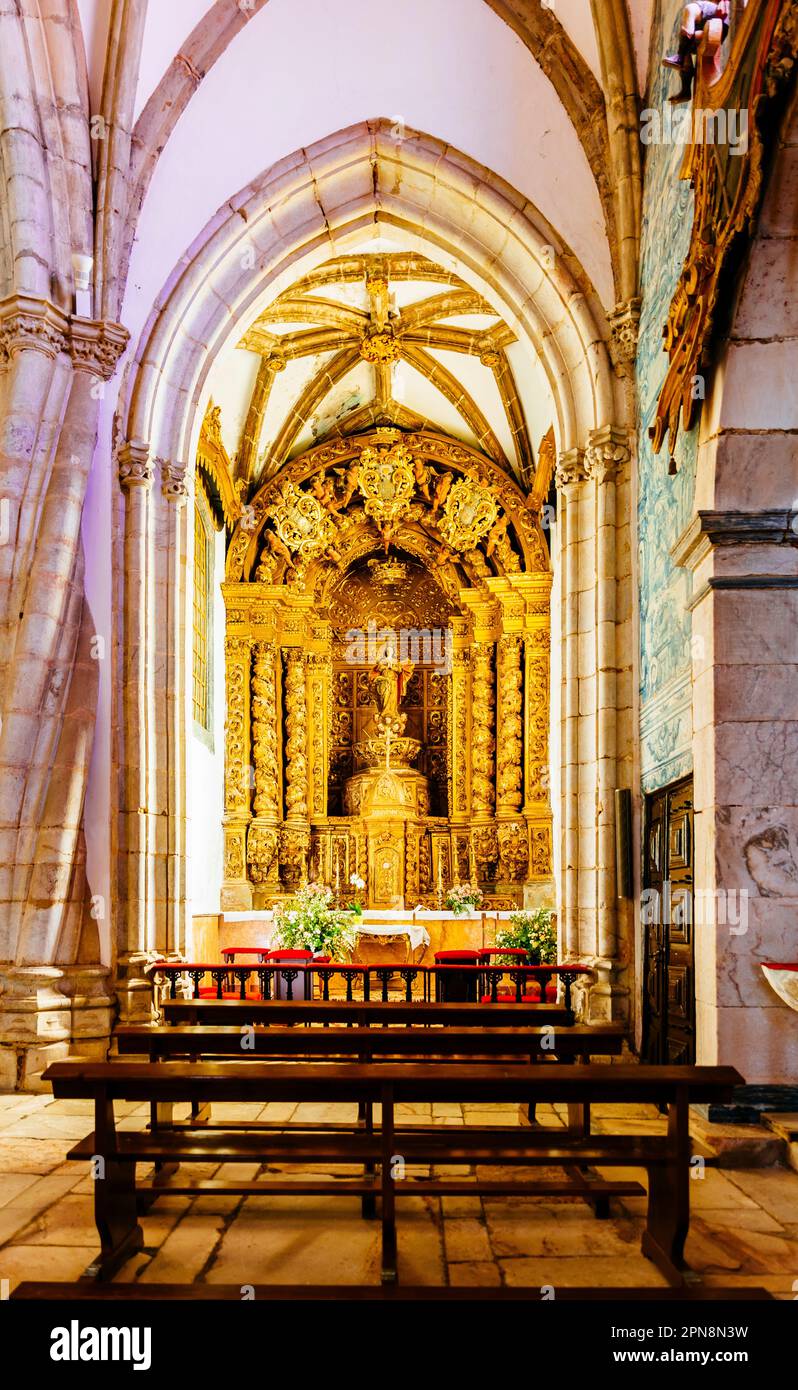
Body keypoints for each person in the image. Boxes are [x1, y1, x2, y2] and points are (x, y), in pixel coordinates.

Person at [662, 1, 730, 103]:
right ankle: (686, 90)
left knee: (690, 9)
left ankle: (680, 57)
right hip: (717, 21)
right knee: (687, 34)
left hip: (719, 15)